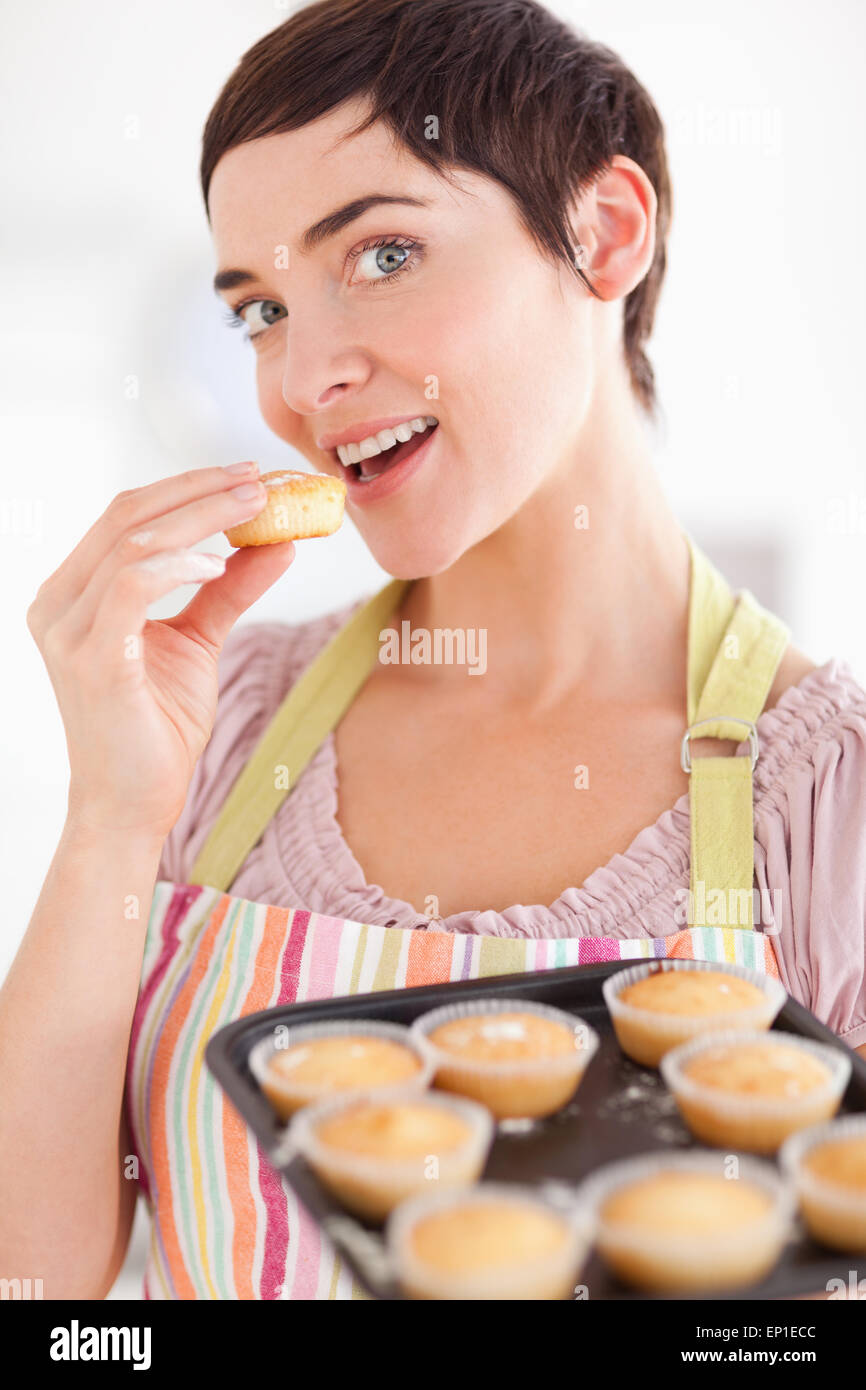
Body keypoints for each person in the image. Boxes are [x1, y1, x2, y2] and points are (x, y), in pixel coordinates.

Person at [3, 0, 864, 1300]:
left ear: (602, 231)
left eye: (384, 253)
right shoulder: (216, 719)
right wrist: (111, 808)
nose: (303, 378)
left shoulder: (828, 795)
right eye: (261, 309)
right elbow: (41, 1281)